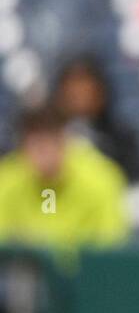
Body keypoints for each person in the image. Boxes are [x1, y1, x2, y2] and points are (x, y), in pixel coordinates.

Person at [0, 107, 128, 252]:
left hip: (85, 272)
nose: (45, 154)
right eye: (37, 145)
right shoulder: (6, 179)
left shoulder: (102, 178)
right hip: (22, 271)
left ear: (66, 141)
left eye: (52, 143)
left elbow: (111, 244)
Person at [52, 54, 139, 183]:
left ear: (101, 92)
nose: (79, 96)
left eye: (86, 90)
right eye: (73, 91)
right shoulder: (43, 138)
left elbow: (137, 184)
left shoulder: (122, 141)